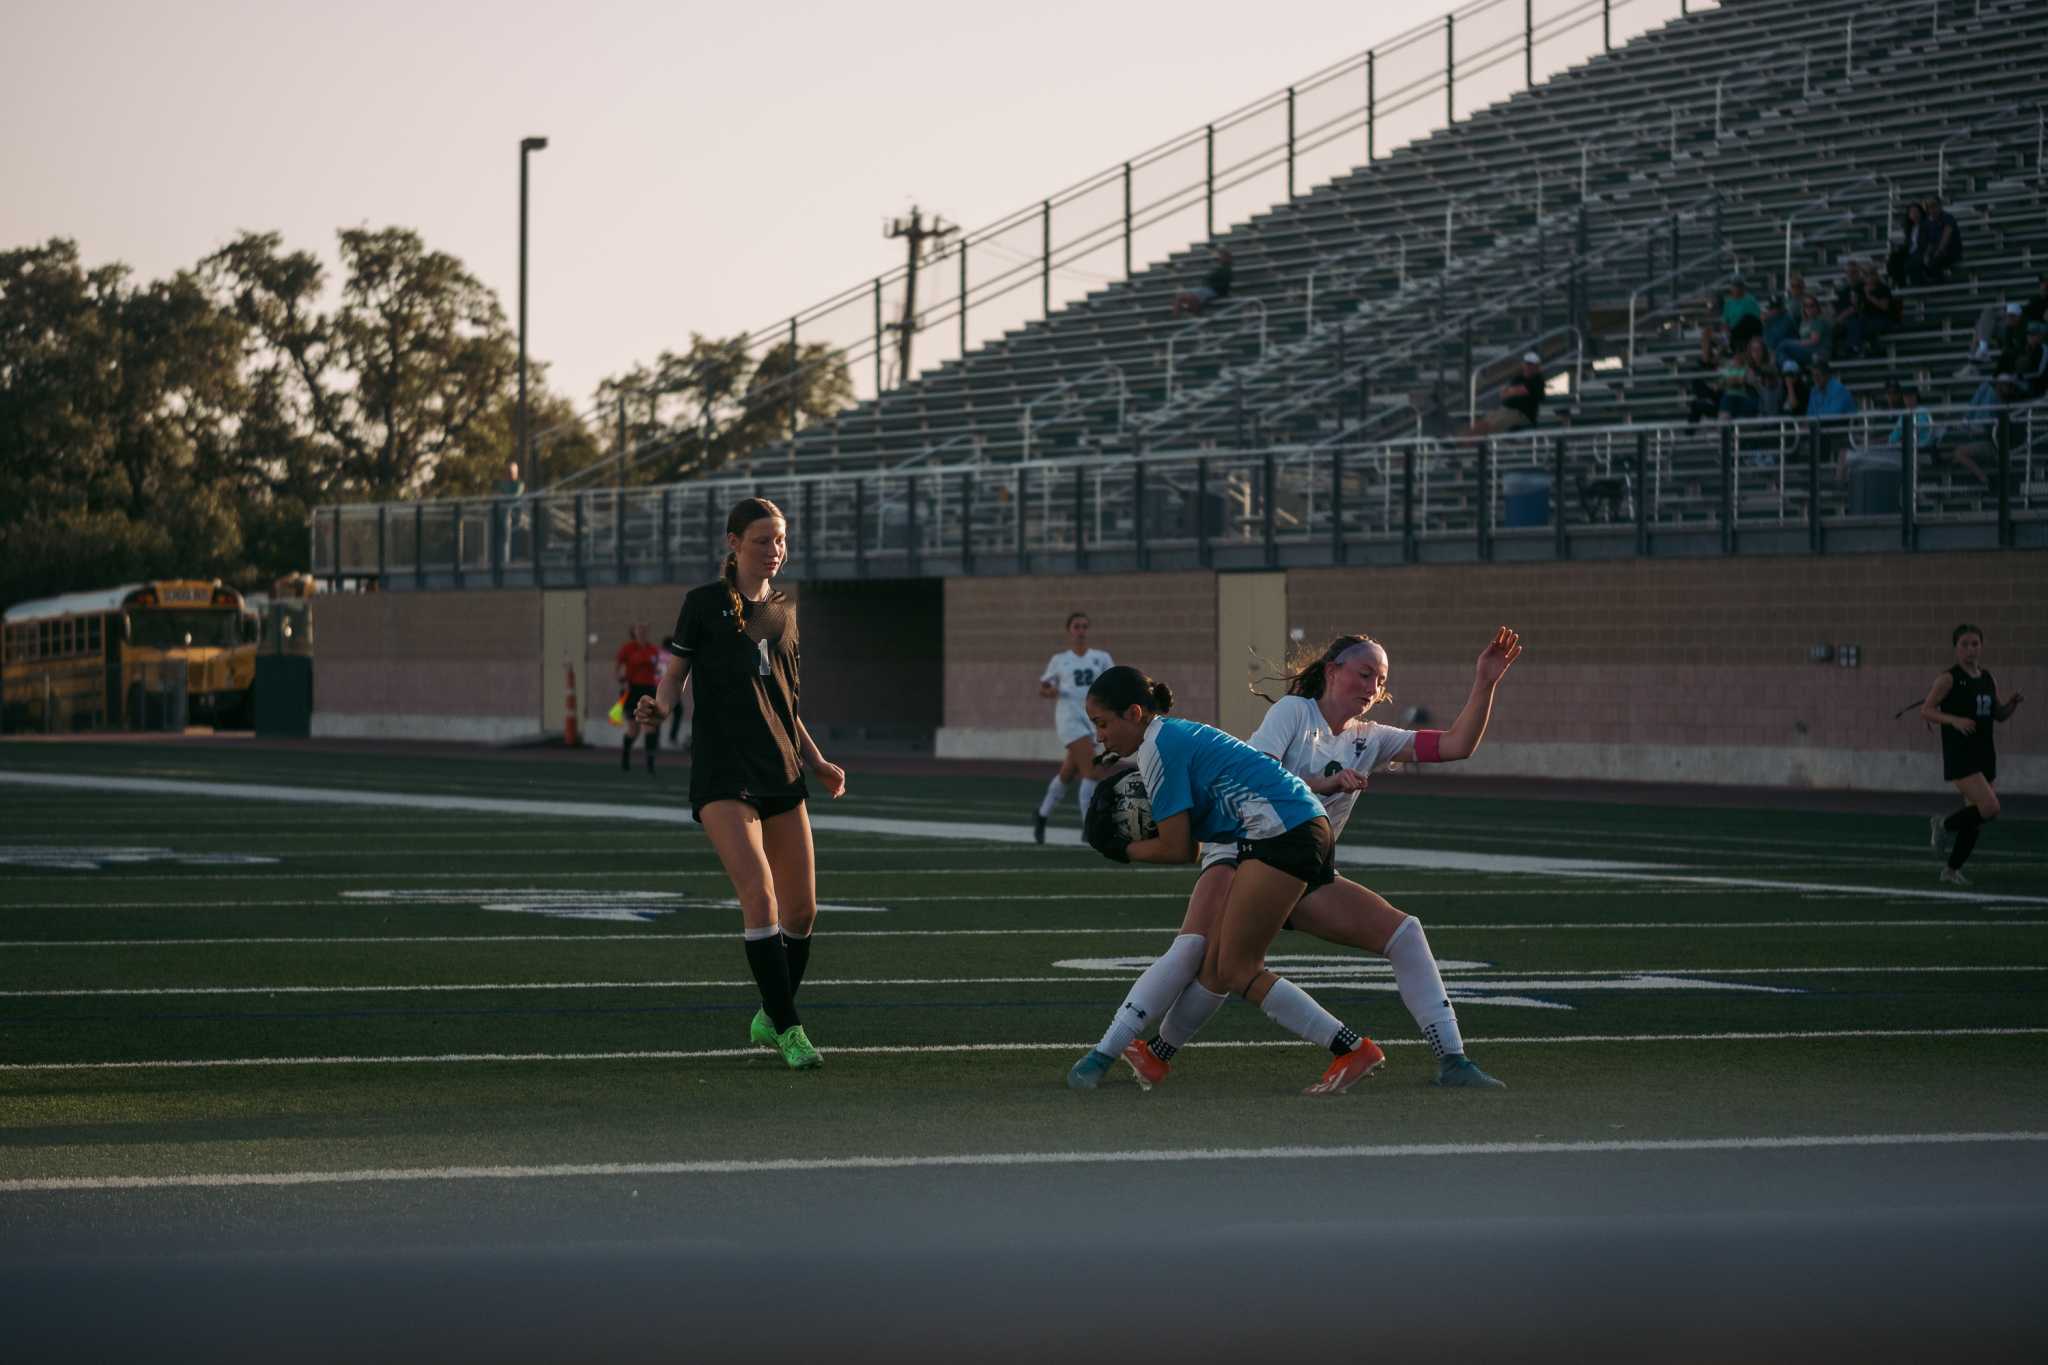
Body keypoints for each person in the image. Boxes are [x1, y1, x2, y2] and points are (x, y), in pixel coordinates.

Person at [1072, 629, 1523, 1095]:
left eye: (1381, 679)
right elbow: (1261, 769)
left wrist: (1485, 683)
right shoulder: (1294, 711)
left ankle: (1447, 1057)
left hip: (1290, 845)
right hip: (1248, 844)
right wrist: (1324, 784)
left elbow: (1455, 745)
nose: (1373, 686)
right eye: (1364, 673)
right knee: (1208, 956)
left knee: (1391, 935)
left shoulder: (1370, 738)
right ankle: (1147, 1054)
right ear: (1332, 671)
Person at [1065, 666, 1386, 1095]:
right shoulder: (1170, 734)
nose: (1100, 736)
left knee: (1237, 969)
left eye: (1102, 723)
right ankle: (1156, 1055)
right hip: (1294, 822)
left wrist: (1123, 849)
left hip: (1282, 829)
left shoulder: (1157, 746)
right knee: (1218, 961)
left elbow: (1181, 849)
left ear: (1134, 713)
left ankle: (1351, 1048)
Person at [636, 497, 847, 1070]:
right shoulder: (702, 603)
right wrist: (658, 707)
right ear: (733, 543)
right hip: (722, 771)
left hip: (781, 769)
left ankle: (771, 1015)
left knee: (802, 913)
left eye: (780, 540)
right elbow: (675, 676)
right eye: (762, 540)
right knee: (760, 896)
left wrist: (817, 760)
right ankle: (791, 1029)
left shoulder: (786, 611)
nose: (774, 550)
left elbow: (785, 703)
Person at [1920, 624, 2022, 885]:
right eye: (1965, 644)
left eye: (1975, 644)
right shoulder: (1948, 678)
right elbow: (1926, 710)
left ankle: (1951, 870)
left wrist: (2011, 704)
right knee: (1990, 807)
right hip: (1960, 753)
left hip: (1984, 752)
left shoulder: (1988, 678)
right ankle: (1942, 825)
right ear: (1956, 648)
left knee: (1976, 817)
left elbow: (1998, 715)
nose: (1970, 649)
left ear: (1981, 646)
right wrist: (1954, 720)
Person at [1033, 612, 1113, 843]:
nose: (1081, 631)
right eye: (1077, 626)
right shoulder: (1060, 660)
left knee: (1067, 773)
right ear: (1069, 630)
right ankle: (1088, 828)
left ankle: (1041, 815)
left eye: (1084, 626)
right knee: (1092, 772)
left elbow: (1112, 682)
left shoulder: (1101, 658)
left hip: (1092, 719)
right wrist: (1051, 691)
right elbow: (1043, 688)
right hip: (1069, 719)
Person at [614, 622, 661, 774]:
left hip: (648, 691)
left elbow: (659, 670)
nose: (642, 632)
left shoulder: (653, 650)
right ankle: (625, 757)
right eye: (639, 630)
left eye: (644, 630)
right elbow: (618, 668)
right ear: (634, 632)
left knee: (650, 727)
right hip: (632, 690)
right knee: (633, 730)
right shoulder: (627, 649)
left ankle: (650, 764)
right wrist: (621, 679)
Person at [1464, 352, 1546, 436]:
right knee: (1481, 424)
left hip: (1520, 413)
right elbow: (1504, 394)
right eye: (1527, 364)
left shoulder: (1537, 380)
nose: (1528, 366)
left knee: (1486, 427)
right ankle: (1463, 441)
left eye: (1531, 364)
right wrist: (1512, 391)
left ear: (1537, 366)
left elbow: (1521, 391)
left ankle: (1466, 442)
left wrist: (1512, 391)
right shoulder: (1518, 378)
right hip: (1506, 409)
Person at [1173, 247, 1234, 317]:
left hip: (1213, 290)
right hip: (1208, 289)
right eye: (1221, 256)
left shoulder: (1226, 269)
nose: (1220, 258)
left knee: (1186, 298)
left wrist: (1210, 282)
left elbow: (1223, 284)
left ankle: (1194, 314)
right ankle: (1185, 314)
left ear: (1227, 258)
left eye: (1222, 256)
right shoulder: (1221, 268)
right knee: (1181, 298)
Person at [1919, 196, 1963, 285]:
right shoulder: (1927, 222)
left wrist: (1938, 251)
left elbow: (1946, 237)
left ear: (1939, 206)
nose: (1932, 209)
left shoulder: (1948, 218)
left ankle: (1940, 285)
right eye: (1929, 207)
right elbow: (1930, 242)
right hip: (1936, 251)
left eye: (1934, 205)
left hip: (1951, 250)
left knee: (1934, 263)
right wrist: (1926, 255)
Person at [1722, 277, 1763, 352]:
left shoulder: (1750, 300)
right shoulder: (1728, 303)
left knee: (1746, 319)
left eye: (1739, 286)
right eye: (1735, 286)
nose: (1737, 288)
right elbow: (1725, 322)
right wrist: (1725, 336)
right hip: (1733, 332)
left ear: (1743, 287)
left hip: (1747, 332)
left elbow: (1757, 319)